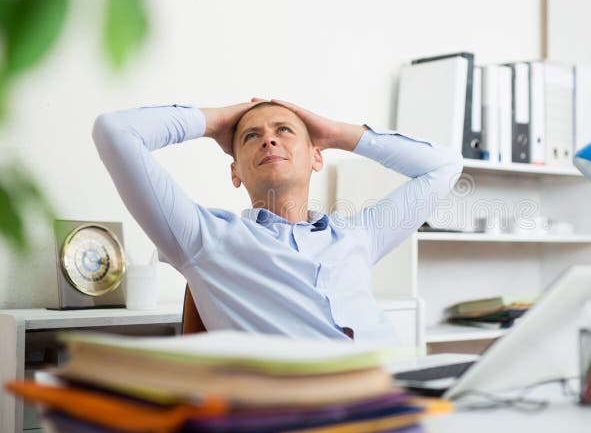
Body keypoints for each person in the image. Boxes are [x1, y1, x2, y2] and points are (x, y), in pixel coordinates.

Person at [93, 98, 463, 343]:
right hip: (311, 426)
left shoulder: (358, 235)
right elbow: (115, 132)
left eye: (283, 130)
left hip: (397, 397)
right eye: (252, 136)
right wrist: (217, 121)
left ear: (316, 157)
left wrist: (336, 132)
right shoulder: (203, 238)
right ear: (235, 171)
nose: (268, 141)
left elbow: (445, 167)